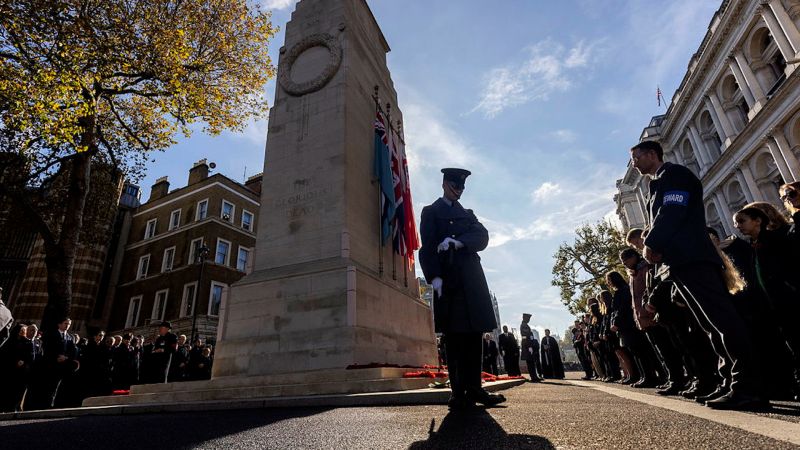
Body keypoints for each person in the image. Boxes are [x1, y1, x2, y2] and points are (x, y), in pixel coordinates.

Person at [630, 140, 764, 410]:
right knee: (710, 326)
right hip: (679, 262)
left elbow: (672, 213)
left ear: (652, 154)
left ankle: (748, 385)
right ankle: (729, 381)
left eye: (636, 157)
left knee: (723, 321)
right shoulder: (655, 185)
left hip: (693, 257)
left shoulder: (675, 175)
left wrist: (651, 243)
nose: (634, 163)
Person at [418, 168, 504, 409]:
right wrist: (434, 276)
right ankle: (458, 393)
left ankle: (475, 389)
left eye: (462, 188)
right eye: (456, 187)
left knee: (474, 334)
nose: (459, 192)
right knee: (454, 337)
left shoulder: (468, 213)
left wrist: (458, 241)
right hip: (448, 279)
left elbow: (482, 236)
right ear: (446, 184)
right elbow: (426, 247)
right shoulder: (431, 212)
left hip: (471, 278)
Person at [520, 313, 542, 382]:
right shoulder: (524, 325)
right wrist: (529, 346)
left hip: (528, 345)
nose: (529, 320)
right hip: (527, 346)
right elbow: (525, 336)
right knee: (530, 362)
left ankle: (534, 376)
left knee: (531, 362)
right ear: (525, 318)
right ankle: (533, 377)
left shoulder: (525, 325)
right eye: (528, 318)